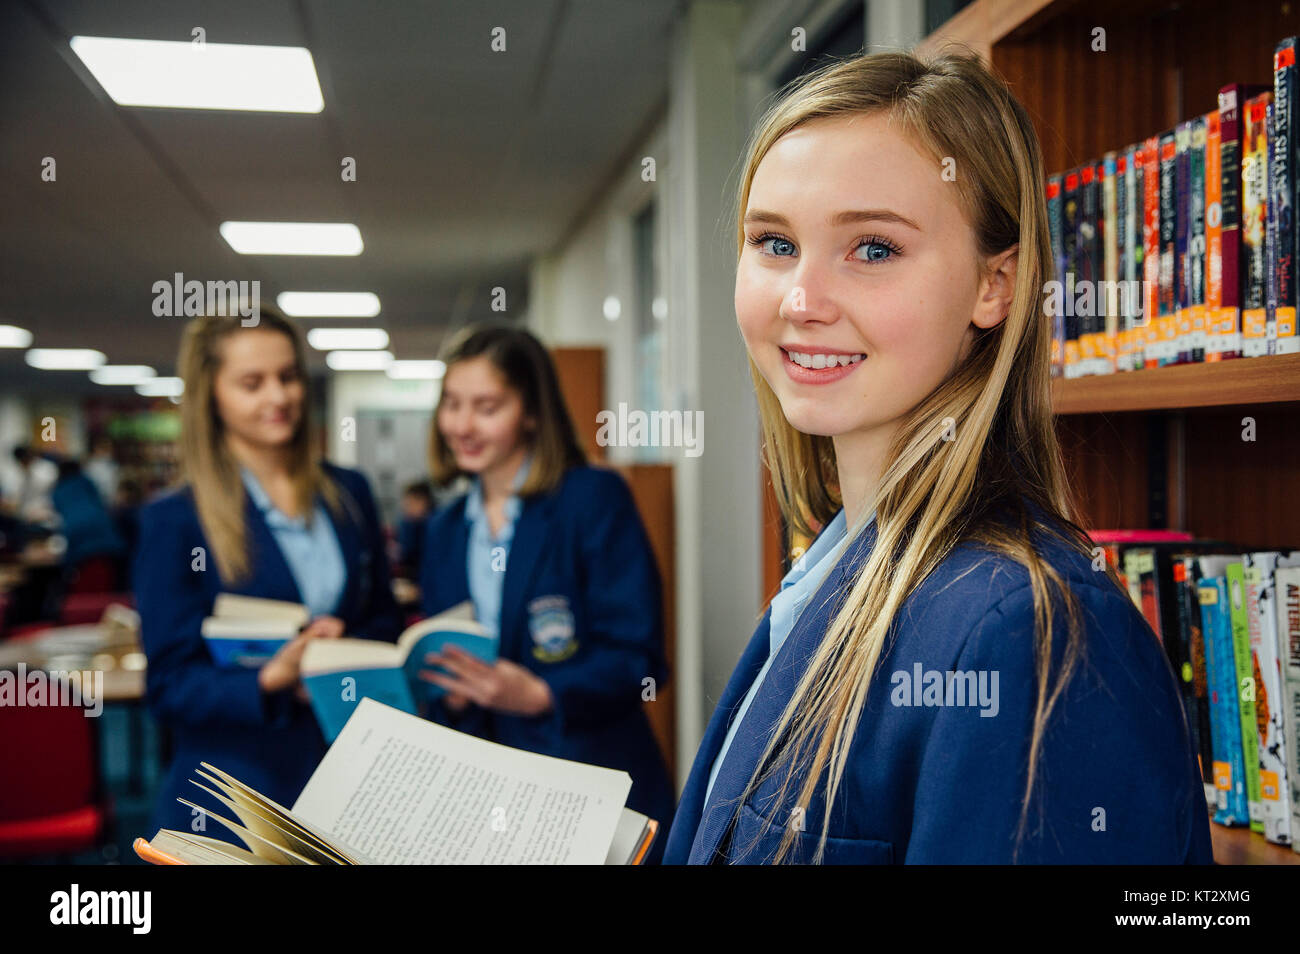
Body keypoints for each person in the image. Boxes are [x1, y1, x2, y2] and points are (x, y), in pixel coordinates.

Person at [663, 50, 1213, 864]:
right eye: (774, 243)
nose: (801, 301)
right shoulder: (837, 565)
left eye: (874, 249)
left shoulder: (1027, 631)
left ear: (996, 285)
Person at [134, 307, 402, 841]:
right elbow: (168, 685)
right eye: (252, 384)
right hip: (239, 788)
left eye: (288, 377)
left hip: (351, 770)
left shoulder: (349, 492)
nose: (278, 397)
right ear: (211, 394)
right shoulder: (176, 519)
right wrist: (270, 679)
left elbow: (383, 619)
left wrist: (345, 645)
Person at [418, 325, 676, 858]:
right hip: (486, 795)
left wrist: (539, 693)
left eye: (486, 407)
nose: (462, 425)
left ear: (531, 412)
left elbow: (641, 660)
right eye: (452, 404)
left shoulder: (592, 498)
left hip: (585, 779)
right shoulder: (445, 529)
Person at [395, 480, 433, 579]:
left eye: (410, 503)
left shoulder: (435, 528)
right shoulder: (408, 524)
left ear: (423, 501)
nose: (407, 508)